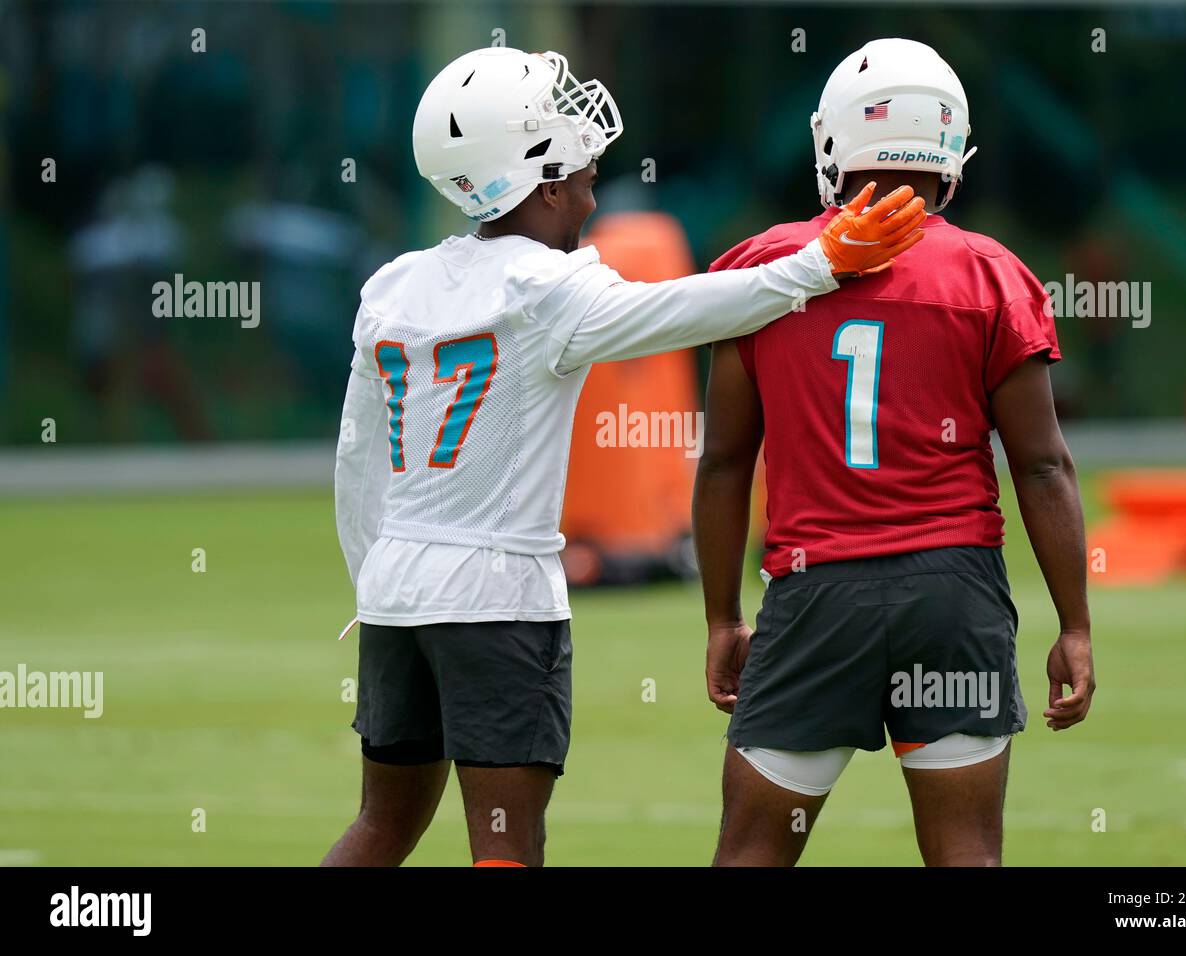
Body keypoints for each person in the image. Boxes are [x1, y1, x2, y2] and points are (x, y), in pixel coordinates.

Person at [323, 46, 927, 867]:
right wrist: (823, 263)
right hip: (495, 595)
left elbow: (357, 460)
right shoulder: (548, 289)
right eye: (572, 159)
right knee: (504, 847)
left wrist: (377, 576)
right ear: (542, 181)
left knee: (380, 828)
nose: (589, 175)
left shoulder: (393, 284)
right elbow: (688, 308)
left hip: (395, 592)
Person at [694, 37, 1096, 866]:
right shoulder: (992, 276)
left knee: (750, 855)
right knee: (965, 855)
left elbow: (726, 461)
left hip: (816, 595)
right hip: (953, 597)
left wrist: (722, 616)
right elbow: (1043, 462)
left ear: (834, 141)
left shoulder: (762, 270)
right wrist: (1075, 623)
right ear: (950, 149)